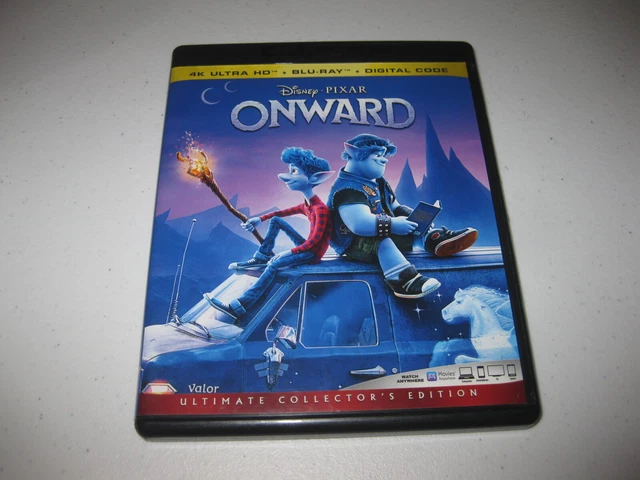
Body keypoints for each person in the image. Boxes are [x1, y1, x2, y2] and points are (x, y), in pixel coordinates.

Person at [327, 134, 477, 299]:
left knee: (412, 226)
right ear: (355, 154)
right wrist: (393, 225)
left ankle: (432, 240)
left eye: (384, 155)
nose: (384, 160)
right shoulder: (347, 189)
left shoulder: (378, 182)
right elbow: (359, 224)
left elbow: (394, 206)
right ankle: (403, 280)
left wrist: (415, 218)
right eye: (377, 155)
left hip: (380, 228)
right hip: (354, 242)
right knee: (382, 241)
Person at [208, 147, 333, 319]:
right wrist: (259, 219)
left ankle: (239, 306)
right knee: (275, 221)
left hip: (313, 254)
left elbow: (314, 241)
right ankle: (262, 256)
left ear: (315, 178)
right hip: (307, 247)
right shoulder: (307, 205)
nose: (286, 175)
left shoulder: (320, 209)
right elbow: (281, 213)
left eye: (294, 171)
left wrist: (287, 253)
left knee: (274, 265)